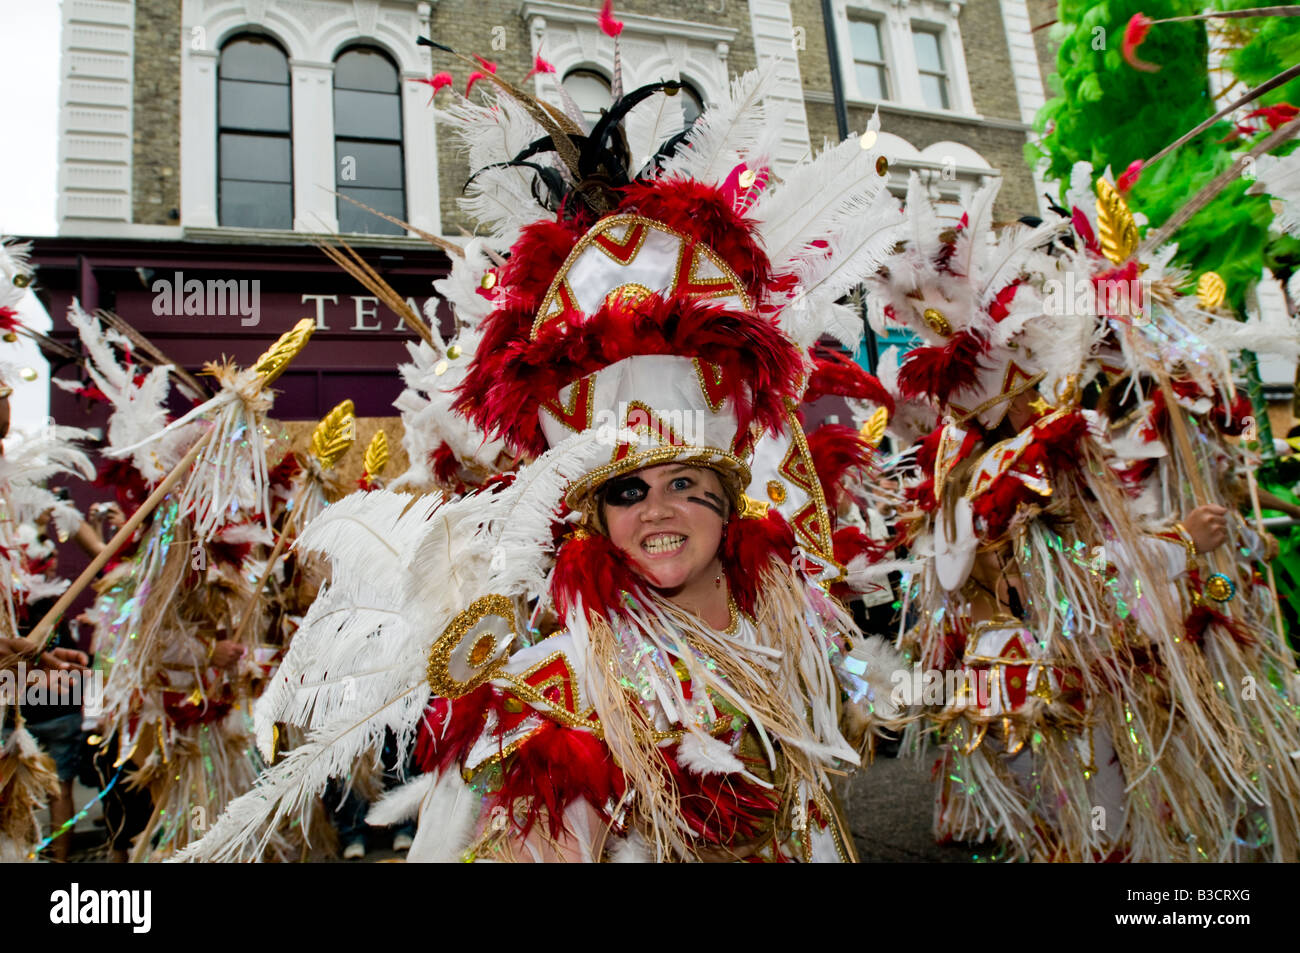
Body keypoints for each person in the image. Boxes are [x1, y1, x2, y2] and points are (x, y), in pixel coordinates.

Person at [179, 15, 912, 862]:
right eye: (627, 490)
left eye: (685, 483)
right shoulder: (543, 703)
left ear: (730, 496)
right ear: (587, 516)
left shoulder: (774, 648)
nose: (658, 511)